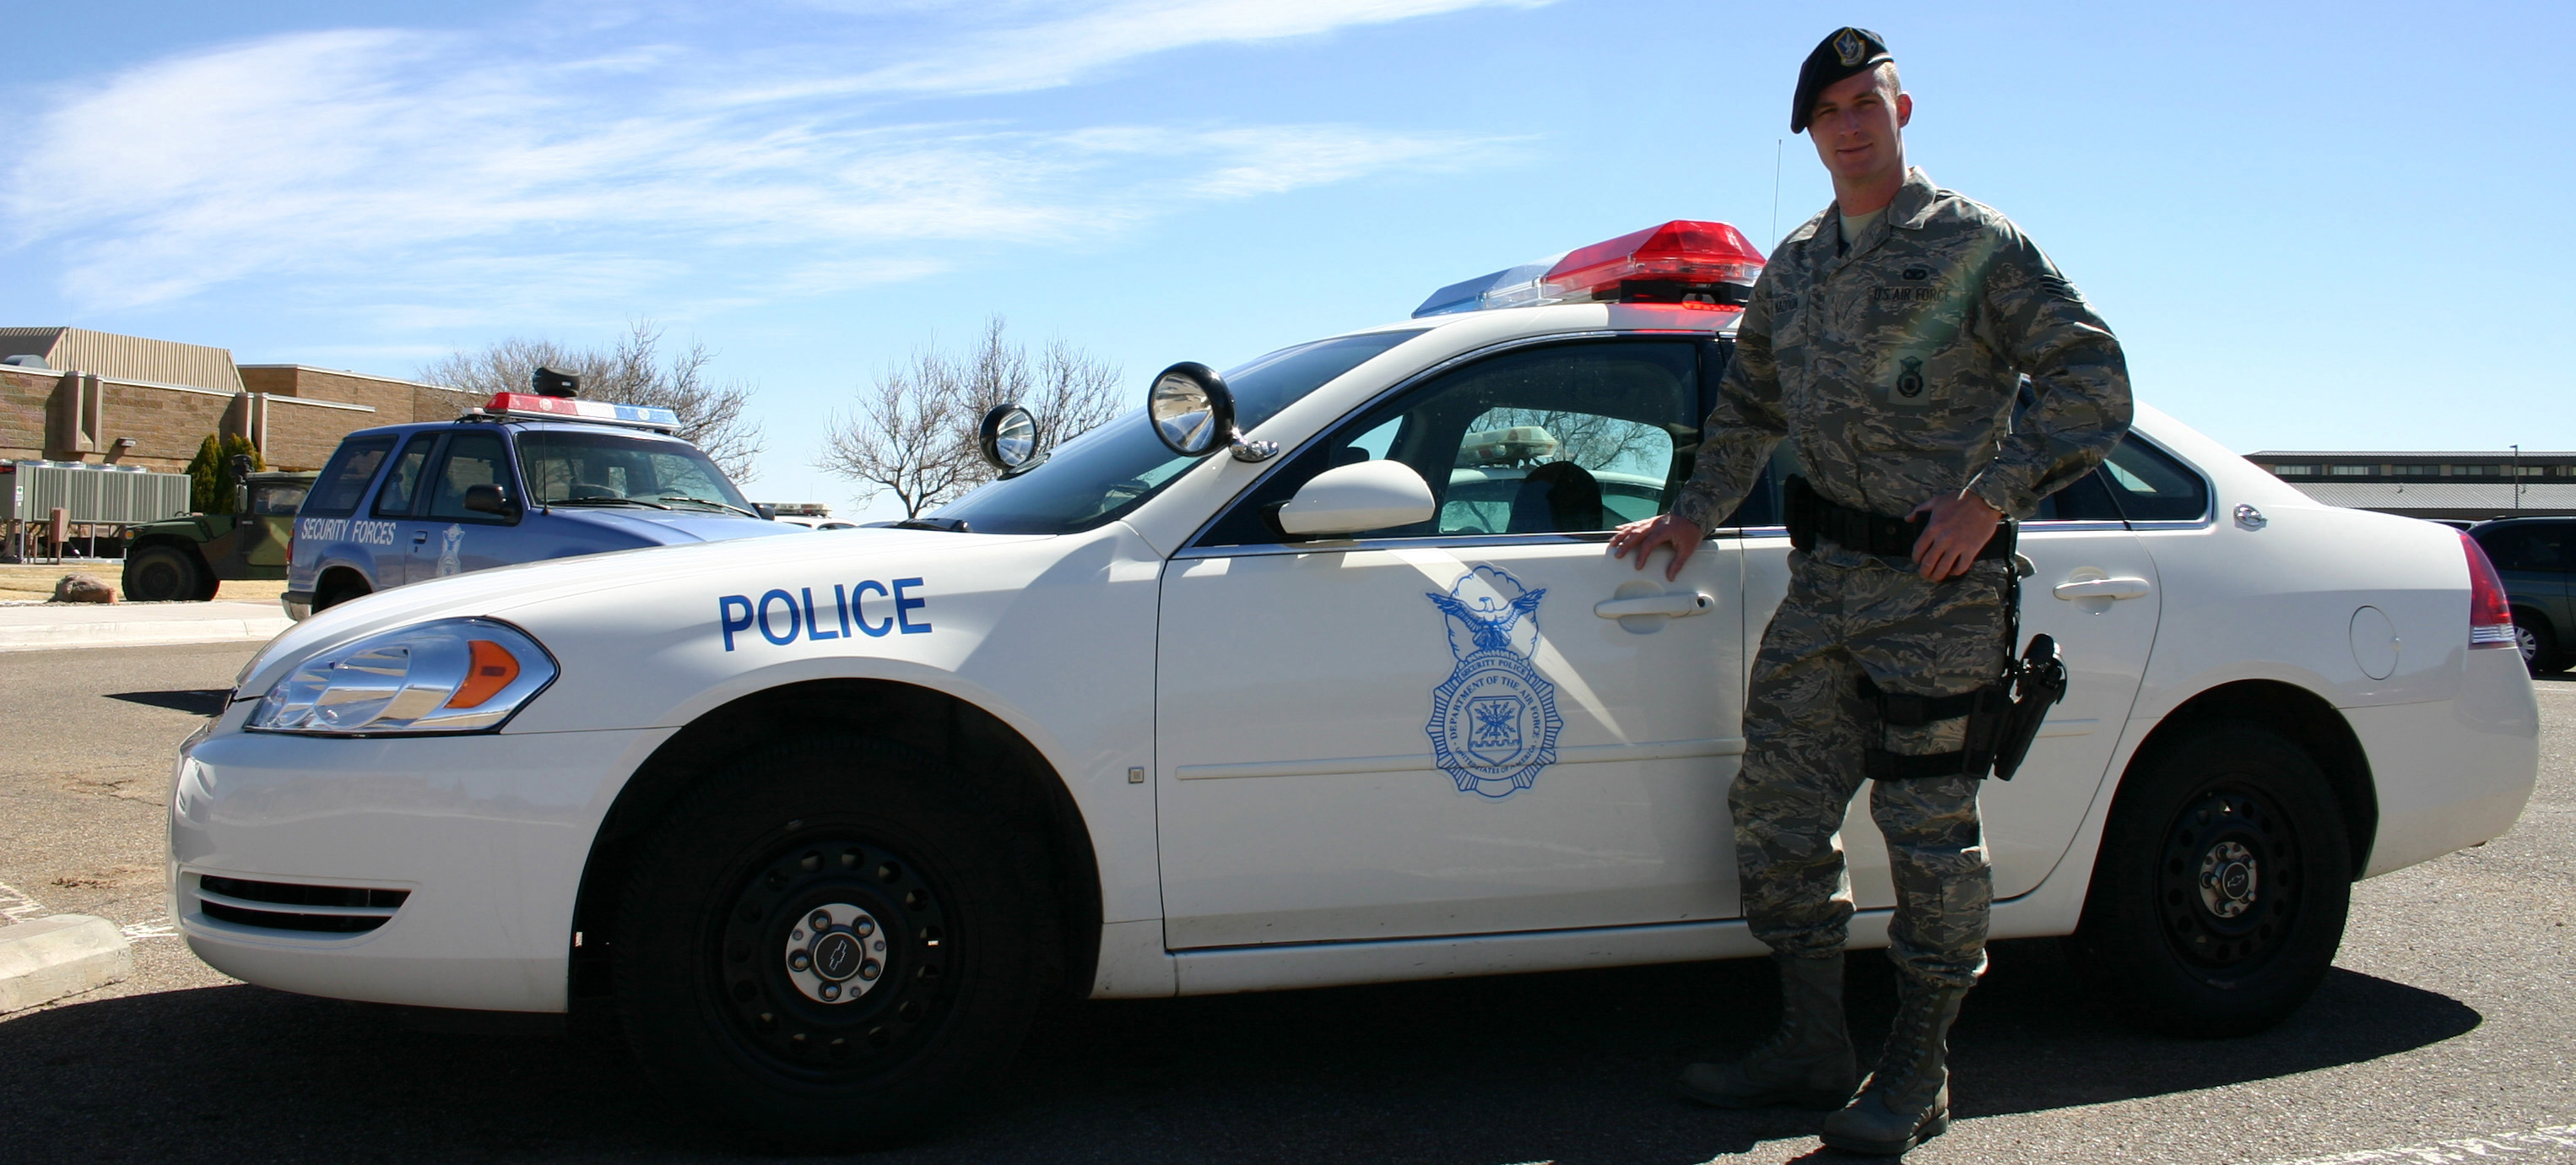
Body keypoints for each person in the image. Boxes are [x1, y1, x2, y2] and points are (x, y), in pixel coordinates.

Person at [1607, 26, 2132, 1157]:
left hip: (1938, 594)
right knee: (1777, 815)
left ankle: (1921, 1067)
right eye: (1829, 111)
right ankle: (1810, 1045)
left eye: (1866, 101)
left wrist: (1989, 497)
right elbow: (1747, 404)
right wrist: (1694, 509)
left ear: (1904, 108)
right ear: (1809, 134)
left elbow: (2095, 382)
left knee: (1928, 832)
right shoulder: (1796, 265)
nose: (1850, 123)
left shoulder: (1974, 246)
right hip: (1826, 586)